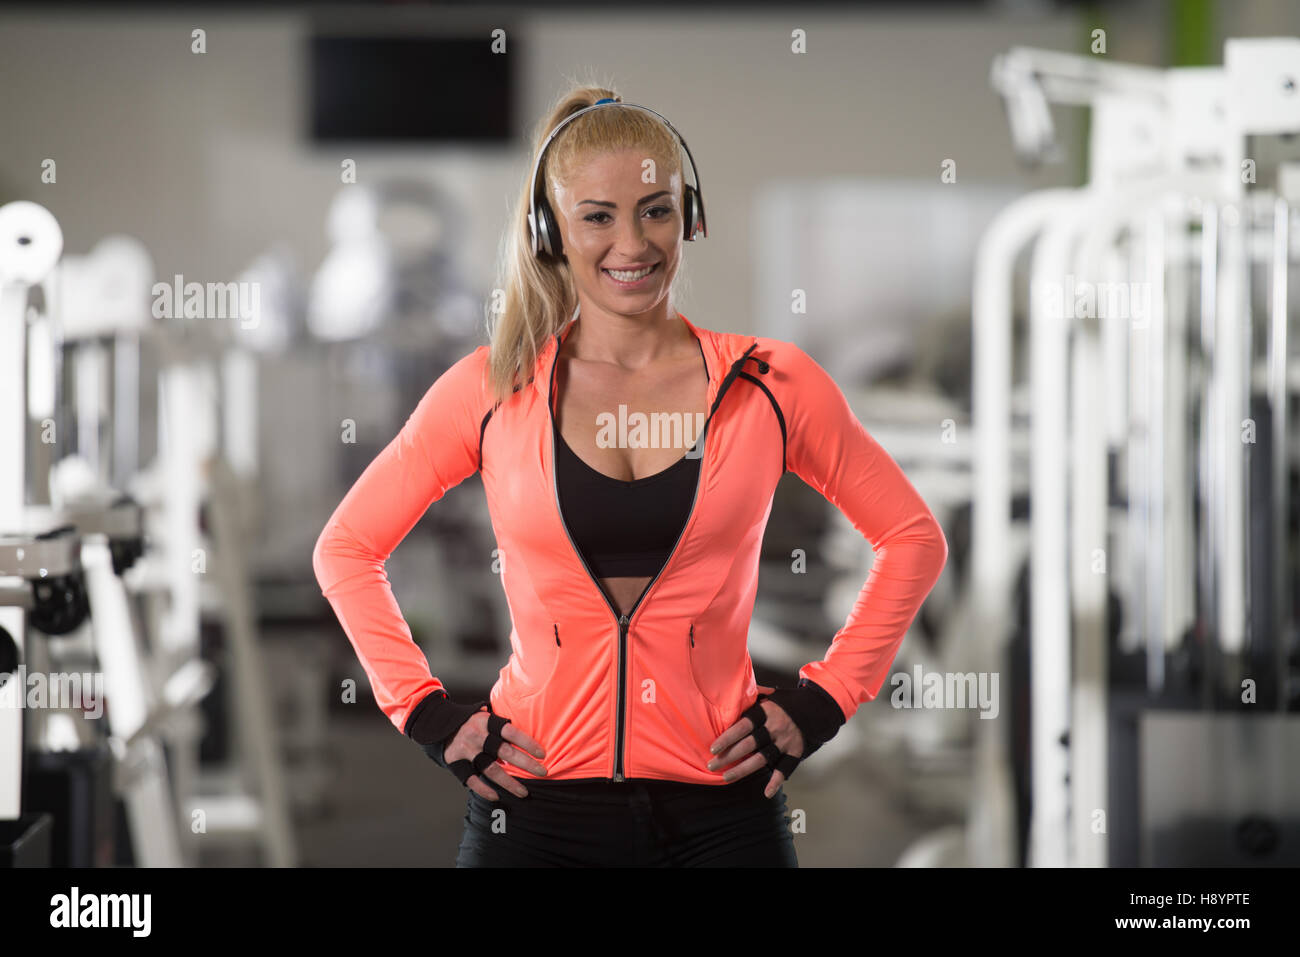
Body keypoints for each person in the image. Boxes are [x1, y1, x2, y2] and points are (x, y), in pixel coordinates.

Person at [312, 86, 949, 867]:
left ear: (690, 214)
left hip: (722, 811)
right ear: (552, 230)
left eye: (655, 209)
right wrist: (427, 712)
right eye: (598, 216)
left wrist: (826, 698)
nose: (633, 242)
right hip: (533, 807)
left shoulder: (772, 383)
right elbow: (345, 547)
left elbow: (912, 538)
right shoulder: (493, 388)